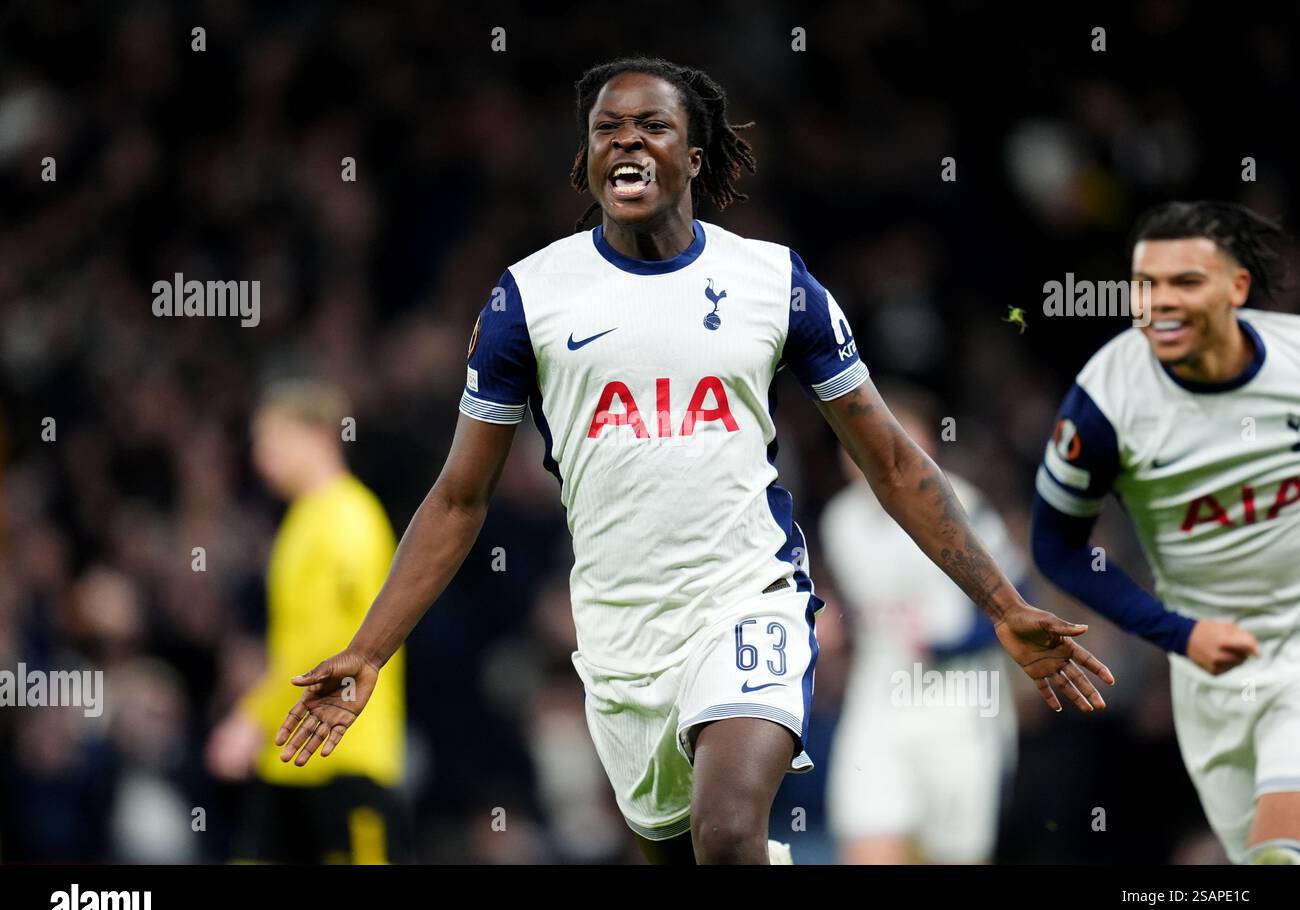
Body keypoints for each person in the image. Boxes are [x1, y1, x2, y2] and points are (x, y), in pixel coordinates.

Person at [272, 57, 1112, 865]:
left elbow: (890, 460)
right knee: (685, 851)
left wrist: (1000, 604)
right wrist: (370, 649)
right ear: (587, 157)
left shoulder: (773, 282)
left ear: (694, 155)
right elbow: (459, 499)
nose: (627, 142)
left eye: (652, 126)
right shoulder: (528, 298)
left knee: (728, 831)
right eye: (607, 129)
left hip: (747, 602)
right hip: (620, 637)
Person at [1032, 201, 1300, 864]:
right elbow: (1056, 547)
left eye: (1185, 283)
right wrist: (1179, 635)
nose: (1159, 303)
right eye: (1145, 284)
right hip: (1209, 664)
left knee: (1280, 850)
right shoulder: (1107, 400)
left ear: (1237, 288)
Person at [205, 379, 409, 863]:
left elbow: (331, 644)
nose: (260, 455)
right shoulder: (302, 521)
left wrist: (250, 718)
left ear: (316, 435)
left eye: (271, 439)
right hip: (291, 758)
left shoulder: (350, 520)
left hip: (347, 755)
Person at [823, 388, 1021, 864]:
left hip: (956, 700)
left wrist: (946, 643)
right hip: (878, 701)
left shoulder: (962, 505)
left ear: (925, 442)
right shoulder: (841, 521)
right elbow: (864, 616)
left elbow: (1019, 603)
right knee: (868, 837)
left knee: (953, 854)